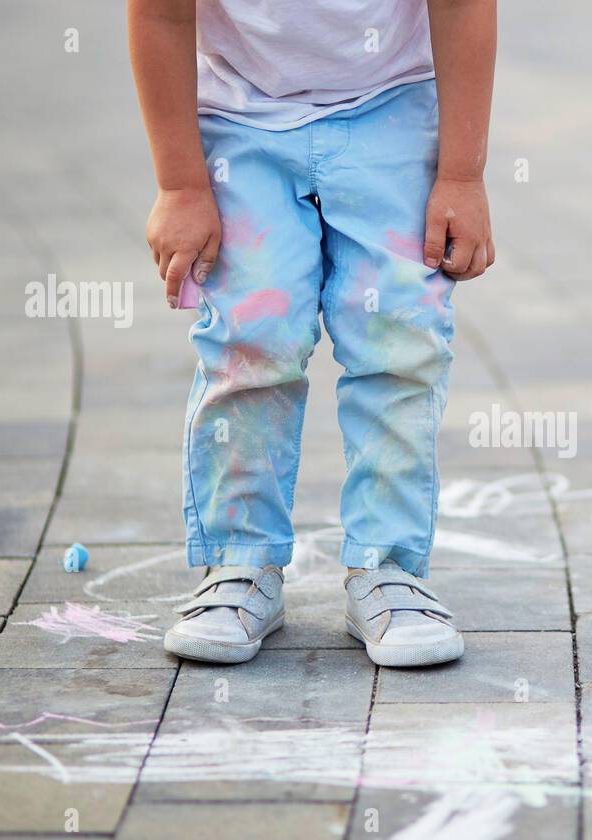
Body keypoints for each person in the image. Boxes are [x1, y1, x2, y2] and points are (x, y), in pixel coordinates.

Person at [126, 0, 496, 667]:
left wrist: (462, 176)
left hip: (390, 114)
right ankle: (241, 562)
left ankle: (388, 567)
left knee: (400, 336)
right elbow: (160, 13)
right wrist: (179, 185)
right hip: (240, 122)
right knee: (252, 337)